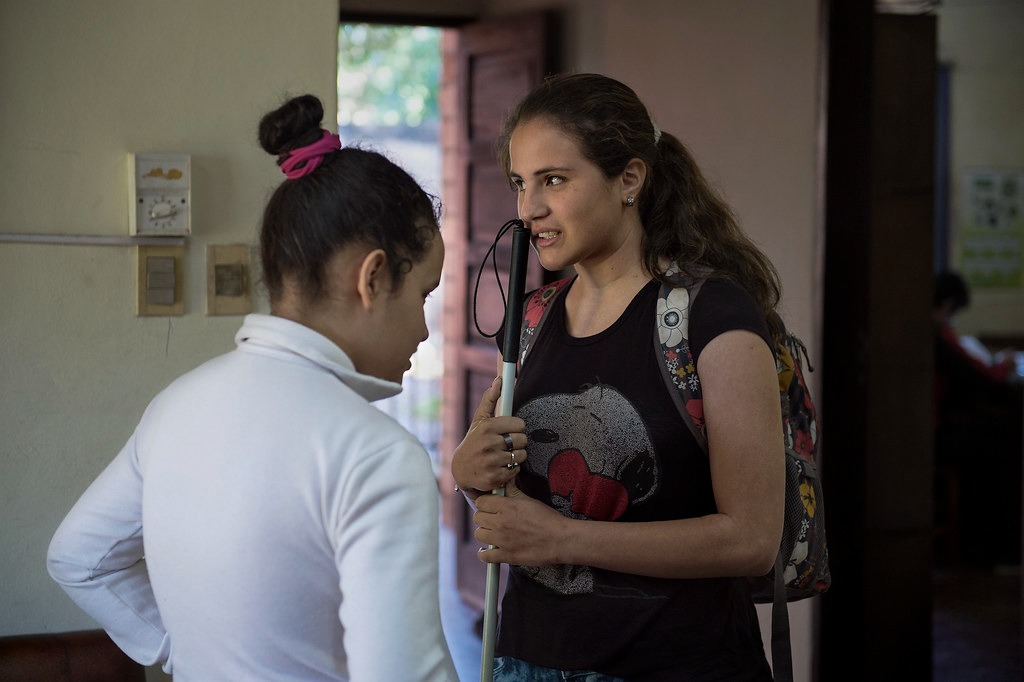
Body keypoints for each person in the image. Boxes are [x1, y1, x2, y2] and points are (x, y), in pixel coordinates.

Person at [47, 94, 458, 681]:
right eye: (422, 294)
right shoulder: (375, 454)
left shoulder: (176, 404)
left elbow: (80, 559)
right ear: (371, 277)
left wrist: (184, 653)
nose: (423, 328)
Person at [451, 73, 786, 681]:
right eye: (520, 183)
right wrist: (470, 474)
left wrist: (564, 540)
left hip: (676, 664)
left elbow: (751, 539)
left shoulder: (712, 317)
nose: (528, 209)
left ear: (629, 178)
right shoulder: (533, 316)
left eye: (554, 180)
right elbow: (519, 504)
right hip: (529, 658)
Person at [932, 270, 1022, 568]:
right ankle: (995, 547)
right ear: (945, 305)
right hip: (937, 435)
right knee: (1008, 448)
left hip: (938, 429)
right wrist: (1001, 368)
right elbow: (979, 377)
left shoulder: (935, 334)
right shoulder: (938, 336)